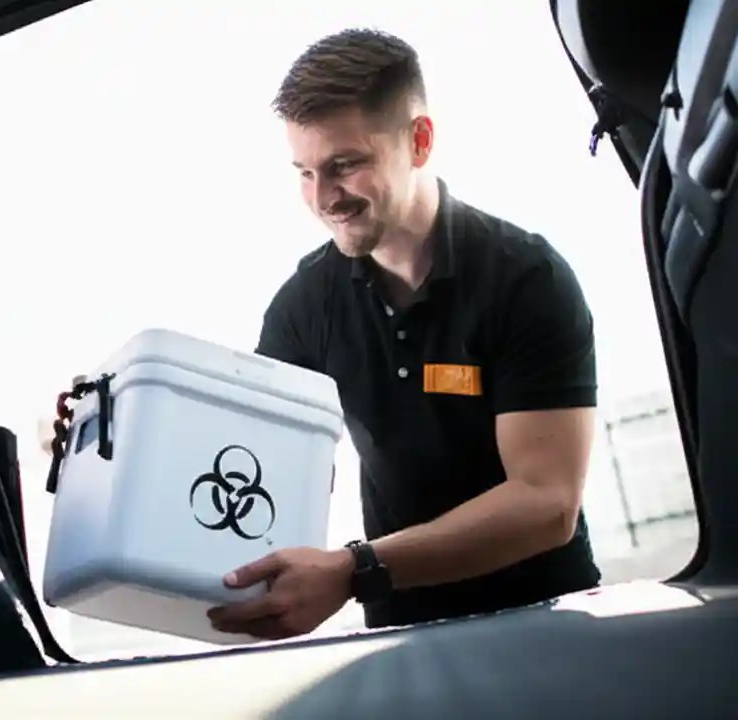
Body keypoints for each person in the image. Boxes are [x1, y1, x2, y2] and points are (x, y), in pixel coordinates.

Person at [200, 28, 603, 639]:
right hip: (401, 629)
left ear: (419, 141)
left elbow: (547, 504)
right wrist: (114, 431)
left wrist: (355, 571)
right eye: (305, 173)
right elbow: (250, 464)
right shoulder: (303, 306)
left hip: (545, 619)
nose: (322, 198)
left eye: (344, 166)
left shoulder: (526, 278)